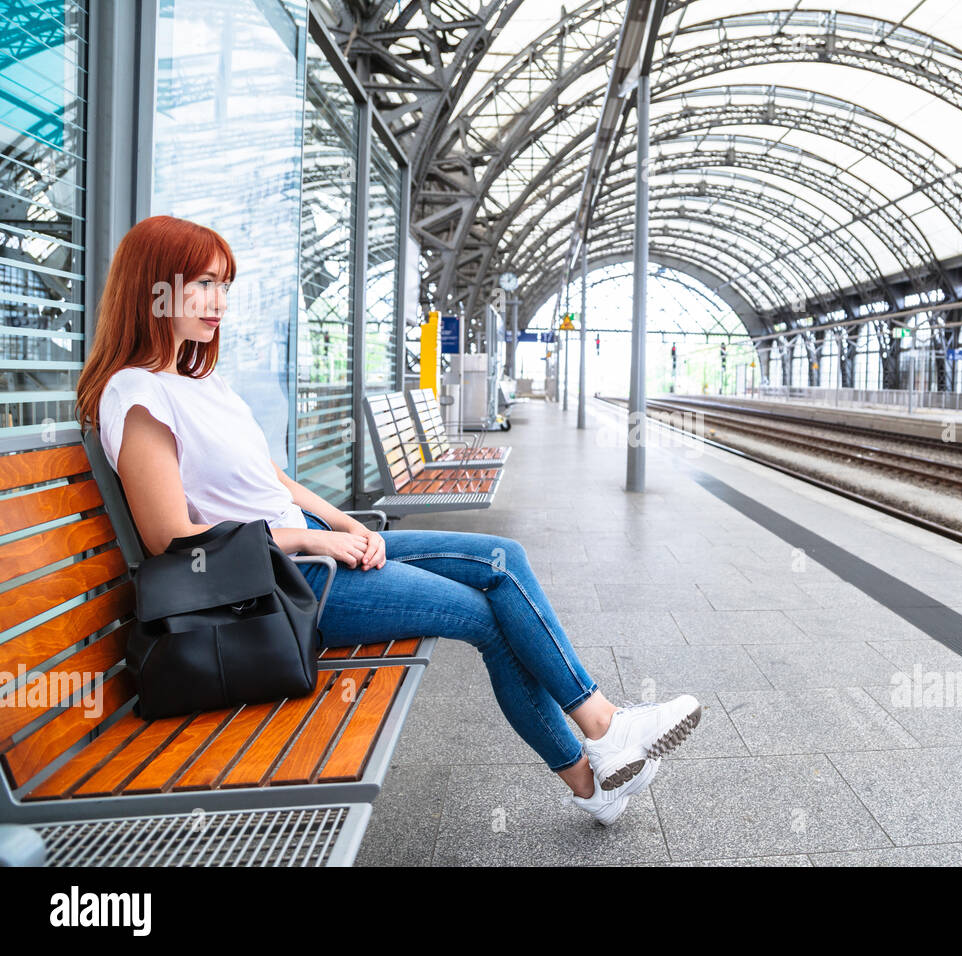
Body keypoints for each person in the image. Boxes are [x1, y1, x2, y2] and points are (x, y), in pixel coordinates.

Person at [75, 215, 701, 826]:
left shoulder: (199, 381)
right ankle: (599, 754)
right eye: (203, 283)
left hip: (311, 555)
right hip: (275, 589)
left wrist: (342, 521)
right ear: (153, 286)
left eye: (225, 285)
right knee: (488, 616)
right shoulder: (136, 394)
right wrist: (310, 538)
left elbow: (272, 480)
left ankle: (601, 744)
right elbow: (174, 541)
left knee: (502, 559)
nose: (219, 301)